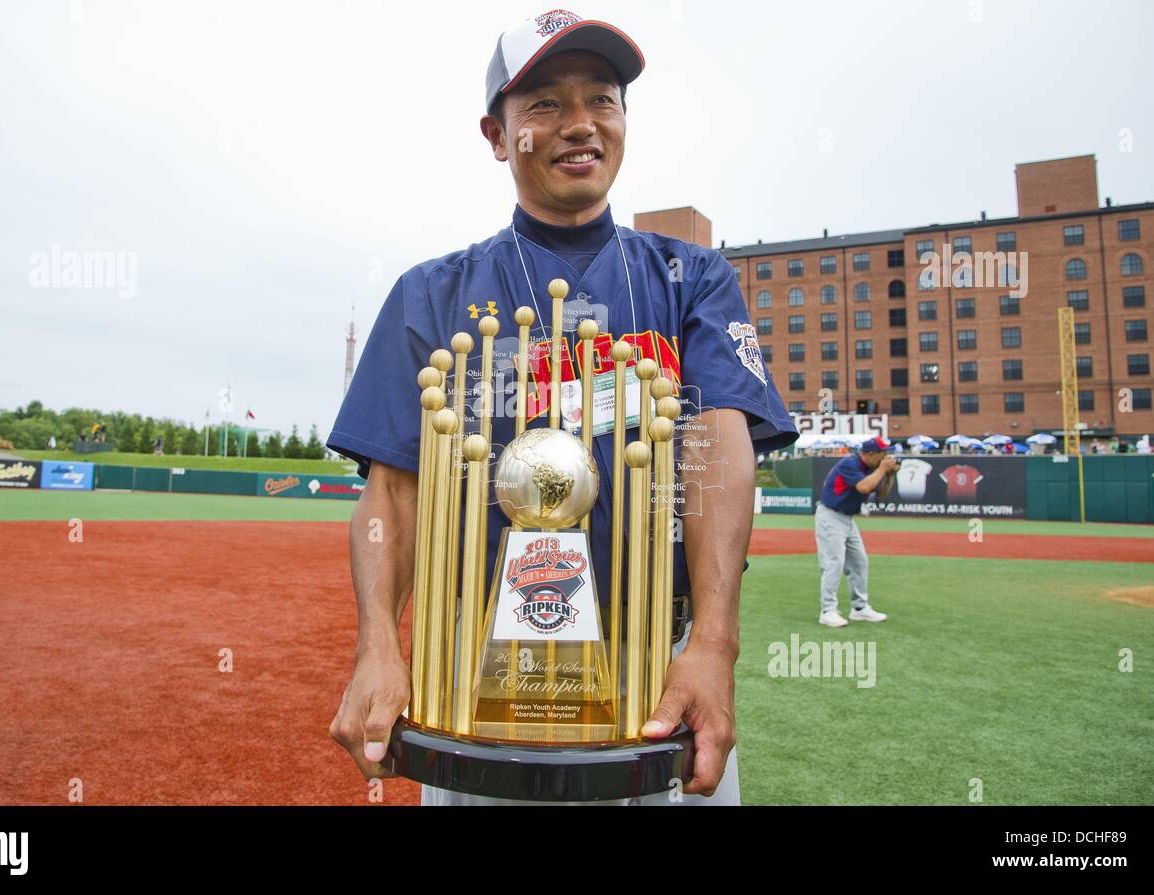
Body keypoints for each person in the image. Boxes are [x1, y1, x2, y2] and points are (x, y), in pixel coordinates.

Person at [326, 8, 796, 806]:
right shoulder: (430, 294)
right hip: (471, 683)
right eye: (545, 103)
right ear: (497, 134)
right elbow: (394, 493)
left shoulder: (693, 280)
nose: (581, 124)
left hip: (655, 681)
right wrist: (379, 640)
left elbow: (716, 452)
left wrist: (714, 643)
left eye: (602, 99)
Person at [814, 436, 897, 628]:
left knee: (860, 561)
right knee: (834, 562)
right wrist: (883, 469)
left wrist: (890, 474)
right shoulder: (850, 463)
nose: (886, 456)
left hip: (848, 519)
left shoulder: (871, 468)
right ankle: (827, 611)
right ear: (870, 454)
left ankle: (859, 609)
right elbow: (864, 486)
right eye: (882, 453)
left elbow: (882, 493)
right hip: (831, 516)